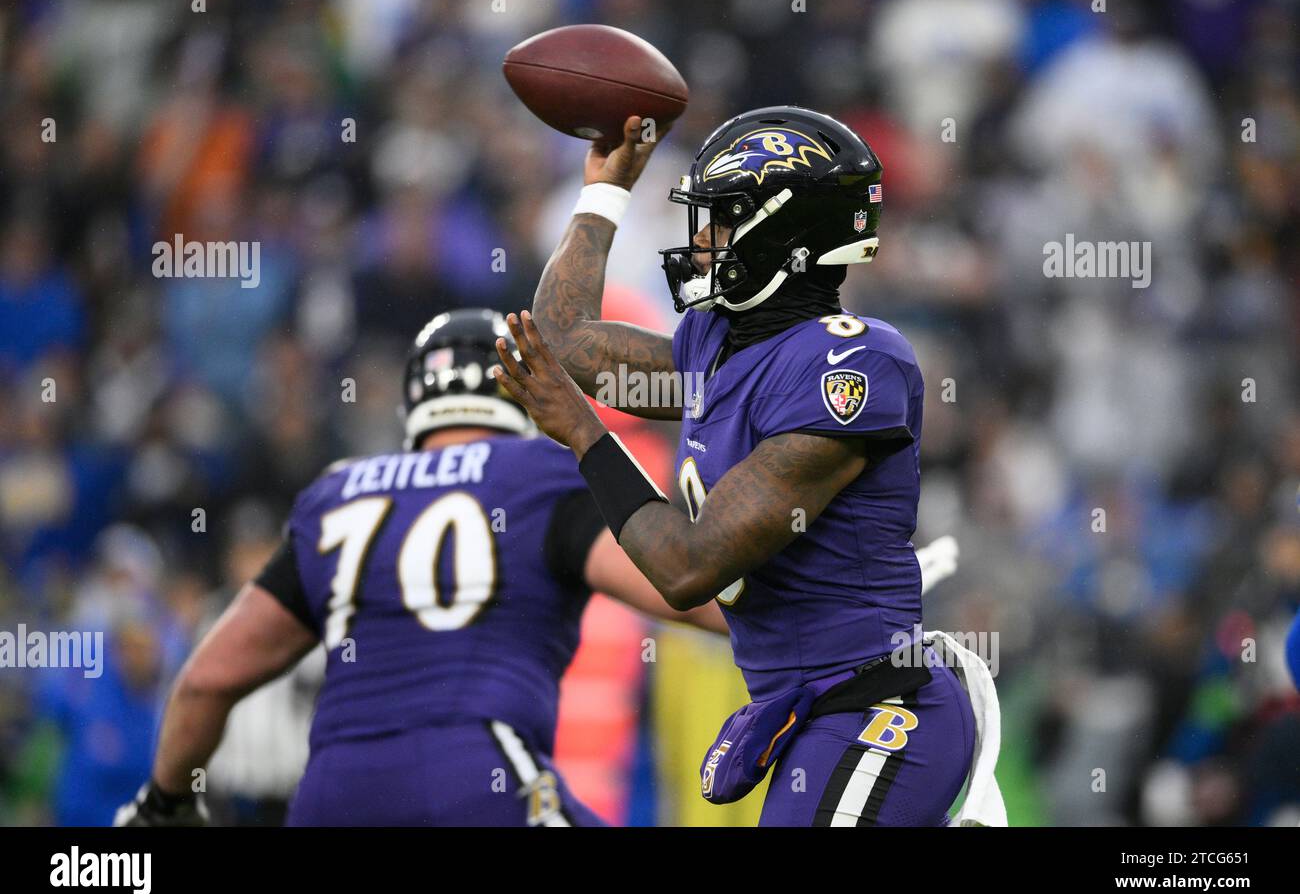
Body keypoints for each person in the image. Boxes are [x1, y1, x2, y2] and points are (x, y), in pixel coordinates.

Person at [506, 107, 983, 826]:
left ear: (787, 238)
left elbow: (687, 568)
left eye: (721, 221)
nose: (699, 241)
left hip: (880, 710)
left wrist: (581, 431)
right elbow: (566, 338)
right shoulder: (715, 345)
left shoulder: (849, 364)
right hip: (809, 715)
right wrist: (606, 192)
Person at [115, 308, 724, 827]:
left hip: (331, 792)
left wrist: (161, 804)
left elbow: (207, 681)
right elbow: (684, 585)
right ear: (517, 387)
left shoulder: (338, 493)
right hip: (474, 769)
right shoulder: (539, 473)